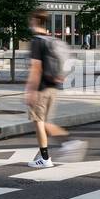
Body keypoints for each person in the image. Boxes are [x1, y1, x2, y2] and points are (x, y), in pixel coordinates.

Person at [24, 10, 86, 168]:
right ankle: (68, 143)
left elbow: (36, 68)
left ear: (36, 20)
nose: (30, 23)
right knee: (45, 122)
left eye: (31, 20)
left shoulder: (37, 41)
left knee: (39, 122)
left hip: (41, 89)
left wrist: (30, 90)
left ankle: (49, 156)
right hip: (53, 87)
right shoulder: (51, 40)